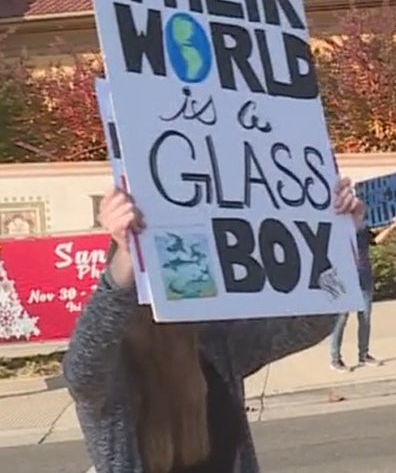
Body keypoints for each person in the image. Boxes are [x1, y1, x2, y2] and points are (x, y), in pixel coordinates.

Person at [65, 178, 366, 473]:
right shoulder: (115, 374)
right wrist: (128, 255)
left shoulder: (216, 344)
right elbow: (82, 368)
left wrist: (338, 240)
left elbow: (310, 323)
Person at [330, 215, 396, 372]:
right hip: (346, 280)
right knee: (341, 319)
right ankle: (335, 359)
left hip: (364, 278)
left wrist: (392, 227)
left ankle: (364, 354)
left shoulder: (363, 230)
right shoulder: (338, 230)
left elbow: (375, 241)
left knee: (365, 318)